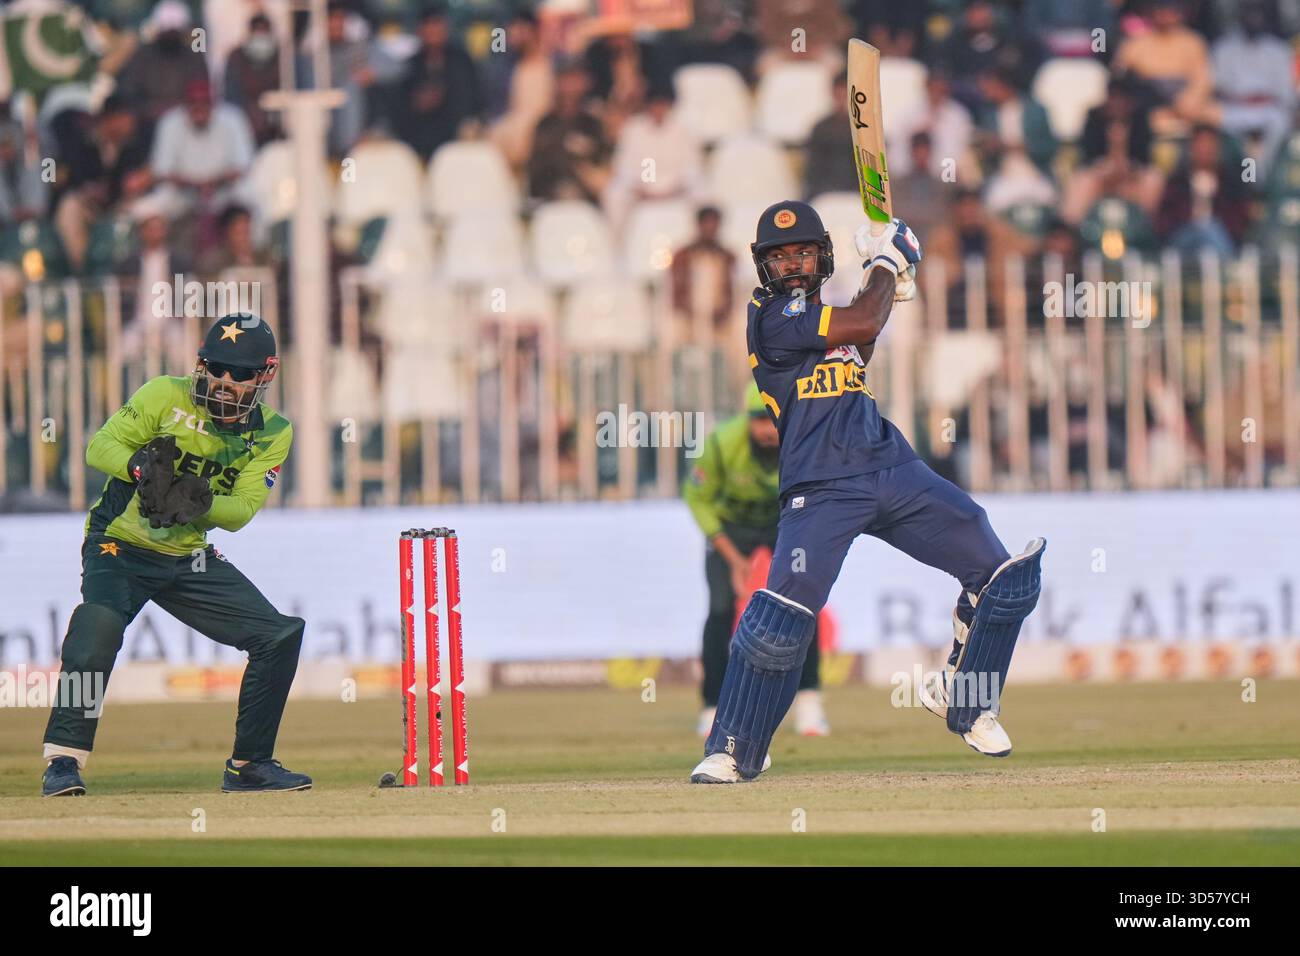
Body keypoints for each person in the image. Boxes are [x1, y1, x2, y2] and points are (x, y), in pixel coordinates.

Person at [690, 200, 1045, 783]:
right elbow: (860, 323)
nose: (793, 265)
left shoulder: (829, 315)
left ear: (822, 255)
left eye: (803, 252)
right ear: (762, 268)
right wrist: (886, 264)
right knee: (780, 620)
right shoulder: (770, 316)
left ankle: (966, 693)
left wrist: (888, 282)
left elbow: (857, 342)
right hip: (821, 486)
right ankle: (732, 748)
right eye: (779, 258)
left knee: (1004, 576)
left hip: (890, 466)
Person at [41, 314, 311, 797]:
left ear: (265, 375)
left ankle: (249, 766)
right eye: (217, 368)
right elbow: (98, 447)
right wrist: (138, 468)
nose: (225, 382)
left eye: (239, 373)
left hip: (189, 556)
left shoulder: (273, 432)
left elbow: (242, 511)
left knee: (279, 636)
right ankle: (63, 760)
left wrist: (197, 502)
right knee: (97, 627)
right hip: (118, 544)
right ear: (201, 364)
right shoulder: (164, 393)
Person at [684, 384, 829, 739]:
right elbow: (697, 498)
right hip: (730, 530)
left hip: (784, 523)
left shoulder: (802, 445)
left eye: (772, 421)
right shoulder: (721, 444)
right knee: (720, 610)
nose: (766, 430)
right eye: (758, 420)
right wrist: (734, 560)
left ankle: (809, 701)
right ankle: (712, 707)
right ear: (746, 421)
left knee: (802, 605)